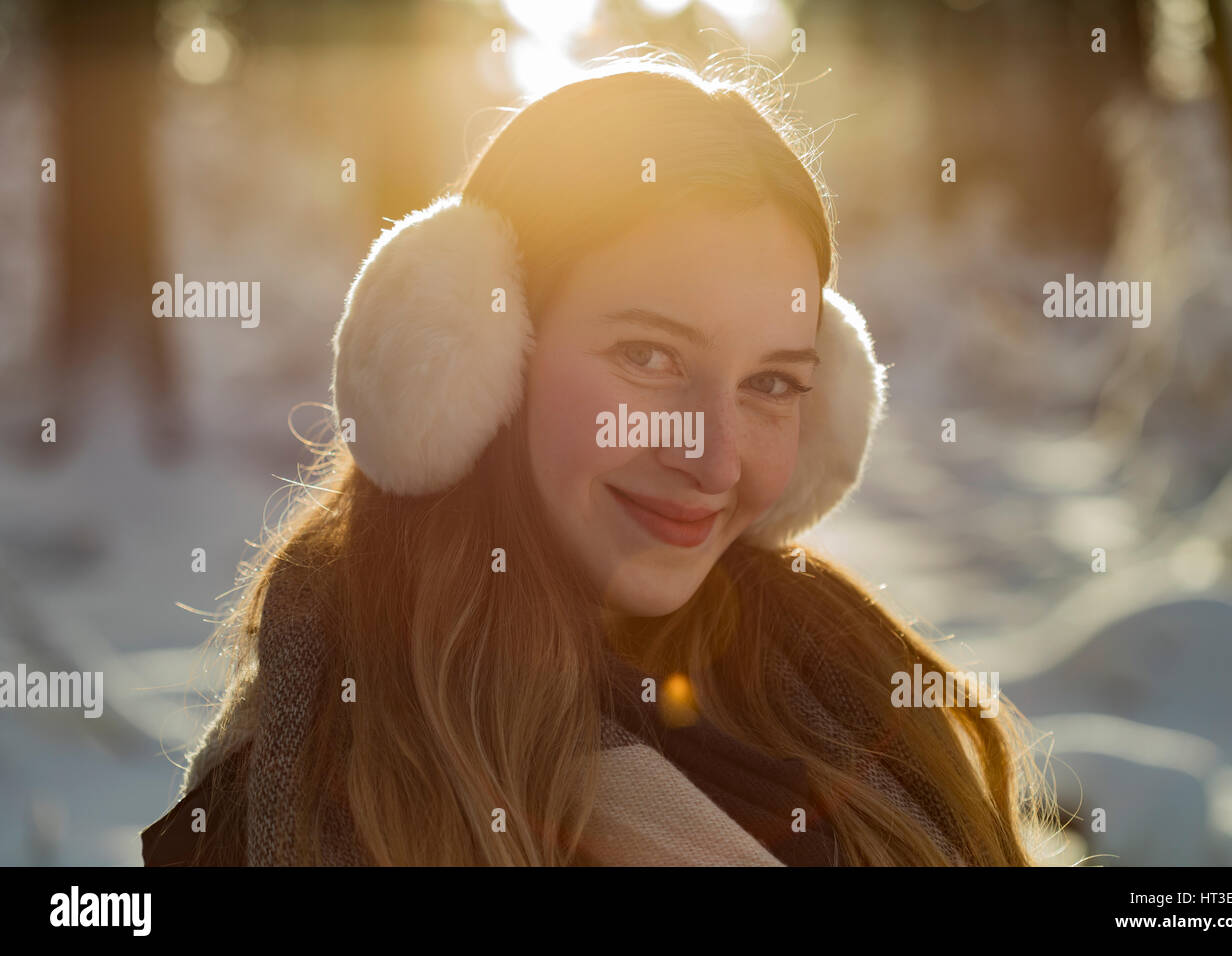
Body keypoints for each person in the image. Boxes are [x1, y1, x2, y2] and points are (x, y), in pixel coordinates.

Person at [141, 50, 1052, 866]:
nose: (717, 462)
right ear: (473, 353)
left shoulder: (854, 693)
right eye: (649, 358)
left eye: (772, 383)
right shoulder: (306, 793)